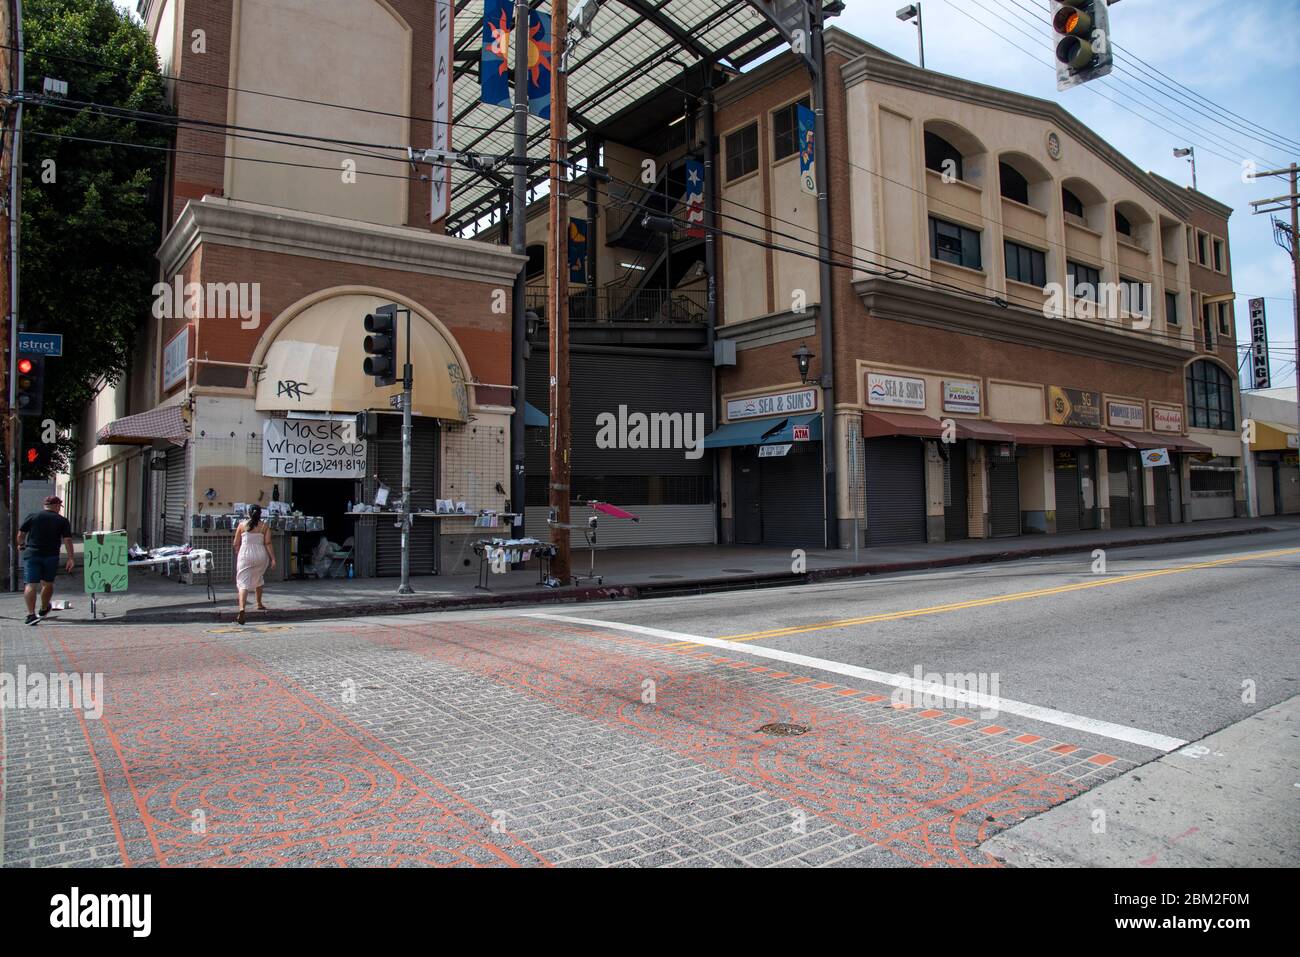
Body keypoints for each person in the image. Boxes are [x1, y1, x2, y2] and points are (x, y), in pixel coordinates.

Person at [16, 495, 75, 625]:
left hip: (32, 554)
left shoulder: (32, 516)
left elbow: (21, 534)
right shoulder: (62, 520)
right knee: (48, 583)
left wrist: (21, 545)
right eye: (59, 506)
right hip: (51, 556)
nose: (59, 508)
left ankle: (31, 615)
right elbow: (67, 540)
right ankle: (43, 608)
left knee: (31, 584)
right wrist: (71, 558)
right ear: (56, 506)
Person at [232, 504, 274, 625]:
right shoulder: (264, 526)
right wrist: (273, 559)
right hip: (261, 555)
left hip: (245, 555)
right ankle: (259, 604)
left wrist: (238, 552)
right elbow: (268, 543)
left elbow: (236, 543)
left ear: (248, 513)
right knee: (259, 578)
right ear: (260, 513)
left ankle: (242, 609)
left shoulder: (241, 525)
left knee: (243, 583)